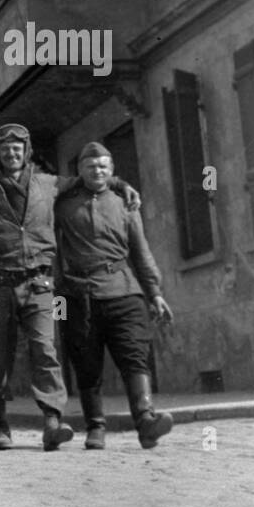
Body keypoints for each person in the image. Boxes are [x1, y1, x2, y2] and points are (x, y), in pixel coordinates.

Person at [0, 122, 138, 451]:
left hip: (39, 283)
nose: (11, 153)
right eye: (5, 149)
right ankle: (1, 425)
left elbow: (88, 179)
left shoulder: (48, 184)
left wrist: (119, 183)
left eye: (18, 148)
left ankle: (51, 420)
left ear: (27, 151)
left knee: (45, 349)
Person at [56, 142, 174, 450]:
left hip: (124, 289)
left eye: (104, 167)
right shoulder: (62, 204)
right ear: (79, 171)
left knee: (134, 356)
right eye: (90, 166)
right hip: (76, 294)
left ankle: (146, 421)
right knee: (85, 362)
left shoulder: (125, 204)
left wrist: (155, 293)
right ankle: (95, 426)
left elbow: (141, 251)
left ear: (112, 171)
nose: (97, 171)